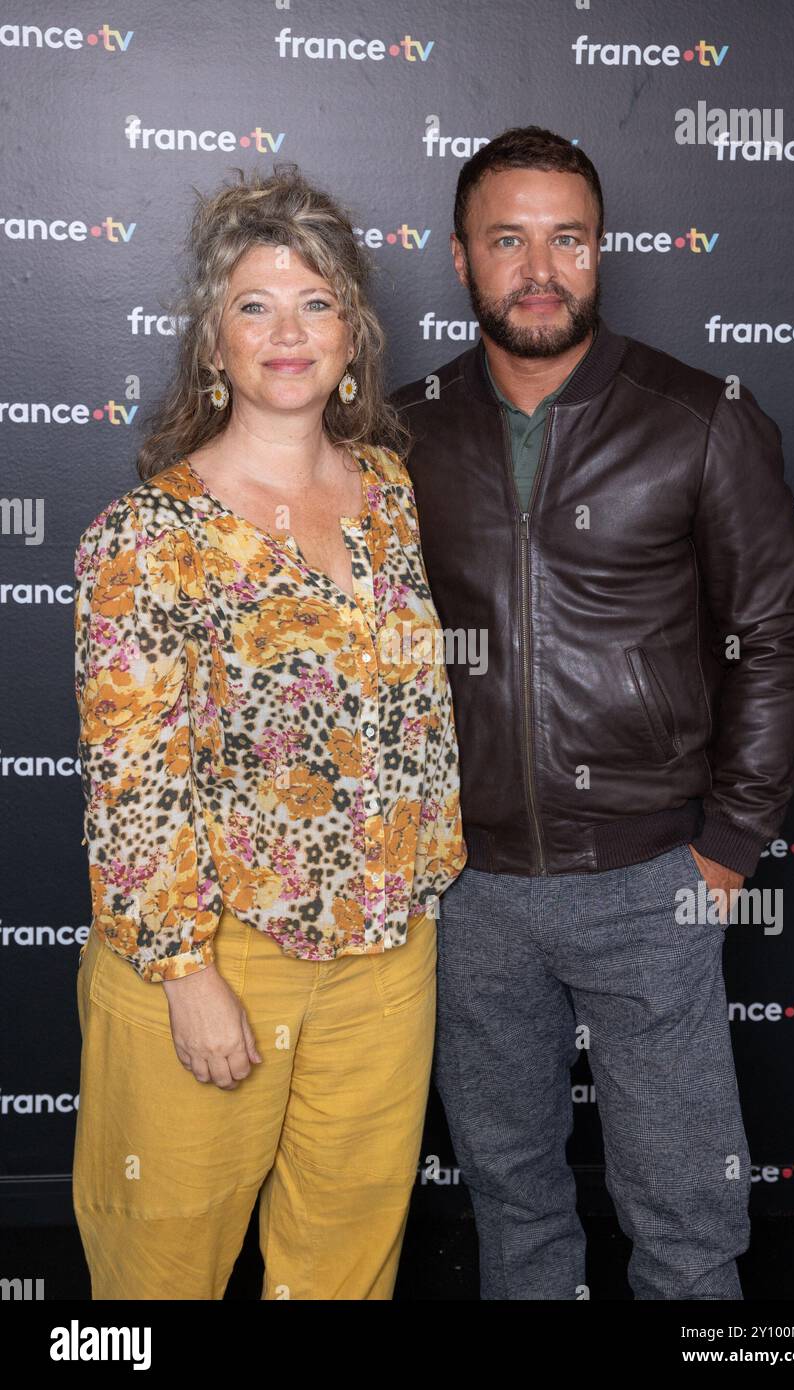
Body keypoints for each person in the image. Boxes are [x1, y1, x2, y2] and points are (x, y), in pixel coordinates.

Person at [388, 125, 794, 1300]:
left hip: (648, 876)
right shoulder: (397, 434)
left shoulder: (700, 417)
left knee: (685, 1213)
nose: (540, 267)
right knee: (512, 1199)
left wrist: (726, 850)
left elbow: (775, 639)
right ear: (462, 259)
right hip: (467, 888)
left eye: (566, 238)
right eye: (508, 239)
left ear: (600, 252)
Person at [72, 161, 466, 1300]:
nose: (287, 331)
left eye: (315, 302)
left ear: (353, 335)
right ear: (213, 342)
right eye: (254, 304)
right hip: (213, 956)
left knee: (345, 1268)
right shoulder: (147, 534)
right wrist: (188, 977)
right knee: (161, 1270)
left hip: (387, 954)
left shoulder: (390, 492)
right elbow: (131, 776)